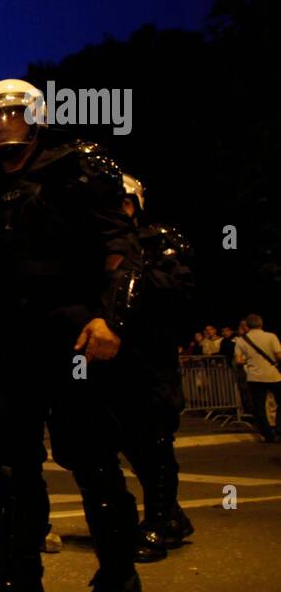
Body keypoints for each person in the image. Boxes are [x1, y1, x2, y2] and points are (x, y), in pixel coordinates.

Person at [0, 78, 144, 592]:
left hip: (72, 335)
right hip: (9, 346)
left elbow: (120, 246)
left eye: (9, 114)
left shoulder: (78, 167)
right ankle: (18, 587)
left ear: (35, 116)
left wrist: (110, 317)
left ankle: (119, 586)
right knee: (10, 469)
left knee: (91, 460)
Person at [115, 174, 196, 561]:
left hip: (151, 356)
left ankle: (161, 521)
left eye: (124, 203)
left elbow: (175, 293)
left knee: (155, 438)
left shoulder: (157, 241)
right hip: (117, 361)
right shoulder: (95, 245)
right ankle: (171, 514)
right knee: (130, 441)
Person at [236, 314, 281, 443]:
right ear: (261, 324)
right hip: (273, 375)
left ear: (248, 326)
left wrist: (250, 359)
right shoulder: (271, 336)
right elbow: (279, 356)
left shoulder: (241, 340)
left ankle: (268, 435)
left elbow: (238, 361)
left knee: (259, 407)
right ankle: (279, 427)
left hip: (254, 377)